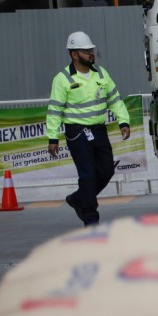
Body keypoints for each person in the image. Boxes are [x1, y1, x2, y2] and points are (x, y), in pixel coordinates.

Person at [46, 31, 131, 225]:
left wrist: (123, 121)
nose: (91, 54)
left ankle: (78, 199)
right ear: (74, 54)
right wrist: (52, 137)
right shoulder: (63, 79)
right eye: (86, 51)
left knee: (107, 171)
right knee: (88, 174)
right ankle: (91, 219)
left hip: (99, 131)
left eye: (91, 50)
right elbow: (54, 110)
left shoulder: (101, 73)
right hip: (76, 133)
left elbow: (115, 100)